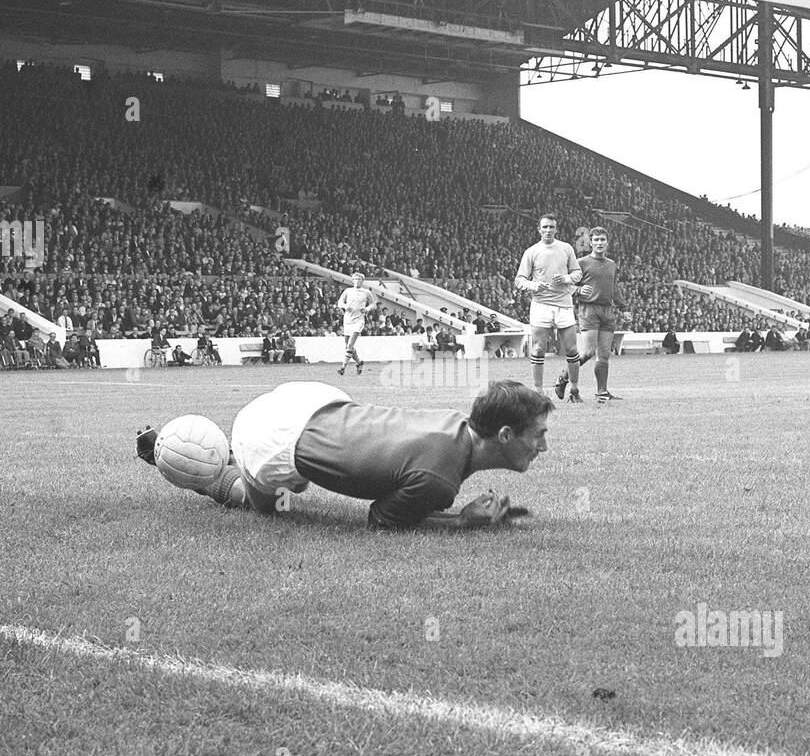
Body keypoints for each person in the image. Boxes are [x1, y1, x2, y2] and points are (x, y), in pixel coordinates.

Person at [135, 379, 551, 531]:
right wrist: (461, 521)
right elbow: (381, 520)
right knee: (263, 506)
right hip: (271, 436)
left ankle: (215, 451)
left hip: (311, 399)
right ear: (505, 433)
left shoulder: (454, 422)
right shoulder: (438, 481)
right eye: (539, 436)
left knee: (280, 478)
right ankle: (177, 455)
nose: (543, 447)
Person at [516, 214, 583, 401]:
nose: (548, 230)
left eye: (551, 227)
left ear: (556, 229)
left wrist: (567, 278)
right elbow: (519, 279)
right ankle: (538, 392)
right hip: (541, 305)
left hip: (563, 304)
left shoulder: (566, 248)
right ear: (539, 229)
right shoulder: (531, 252)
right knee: (538, 349)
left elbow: (577, 273)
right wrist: (533, 285)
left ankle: (574, 391)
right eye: (544, 227)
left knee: (571, 349)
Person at [558, 226, 623, 403]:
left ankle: (602, 392)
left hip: (607, 311)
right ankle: (563, 378)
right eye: (596, 240)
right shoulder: (581, 263)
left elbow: (614, 288)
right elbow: (566, 285)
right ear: (591, 243)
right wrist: (578, 290)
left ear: (607, 242)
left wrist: (624, 307)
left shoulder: (612, 264)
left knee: (604, 354)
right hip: (589, 310)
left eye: (602, 240)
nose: (599, 243)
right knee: (588, 351)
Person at [335, 271, 375, 376]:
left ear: (362, 281)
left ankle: (343, 367)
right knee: (348, 346)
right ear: (353, 280)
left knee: (350, 345)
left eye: (359, 279)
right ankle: (359, 362)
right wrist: (344, 306)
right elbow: (340, 302)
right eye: (355, 279)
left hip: (359, 320)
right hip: (348, 319)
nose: (357, 281)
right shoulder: (348, 291)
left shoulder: (366, 292)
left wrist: (366, 309)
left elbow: (373, 304)